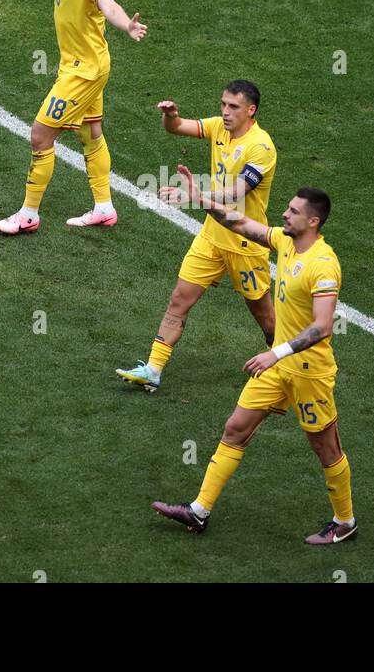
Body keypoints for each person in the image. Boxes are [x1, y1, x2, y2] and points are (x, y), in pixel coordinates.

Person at [152, 167, 355, 544]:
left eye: (293, 211)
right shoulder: (288, 243)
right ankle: (198, 512)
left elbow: (322, 327)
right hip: (279, 369)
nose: (283, 214)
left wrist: (275, 353)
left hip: (309, 373)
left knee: (324, 448)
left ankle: (344, 522)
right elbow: (245, 225)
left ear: (313, 220)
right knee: (235, 428)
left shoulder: (323, 264)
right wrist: (202, 200)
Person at [0, 0, 148, 235]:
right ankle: (104, 208)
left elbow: (108, 3)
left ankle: (28, 214)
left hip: (83, 72)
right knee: (91, 134)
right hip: (87, 64)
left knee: (40, 135)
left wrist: (126, 25)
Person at [116, 81, 277, 392]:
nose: (225, 112)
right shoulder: (218, 128)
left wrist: (194, 195)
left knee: (264, 315)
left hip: (245, 242)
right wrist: (170, 115)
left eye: (233, 107)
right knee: (179, 299)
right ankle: (154, 368)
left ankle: (283, 360)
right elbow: (176, 128)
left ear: (251, 110)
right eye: (223, 104)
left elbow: (236, 193)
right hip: (211, 236)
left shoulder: (261, 147)